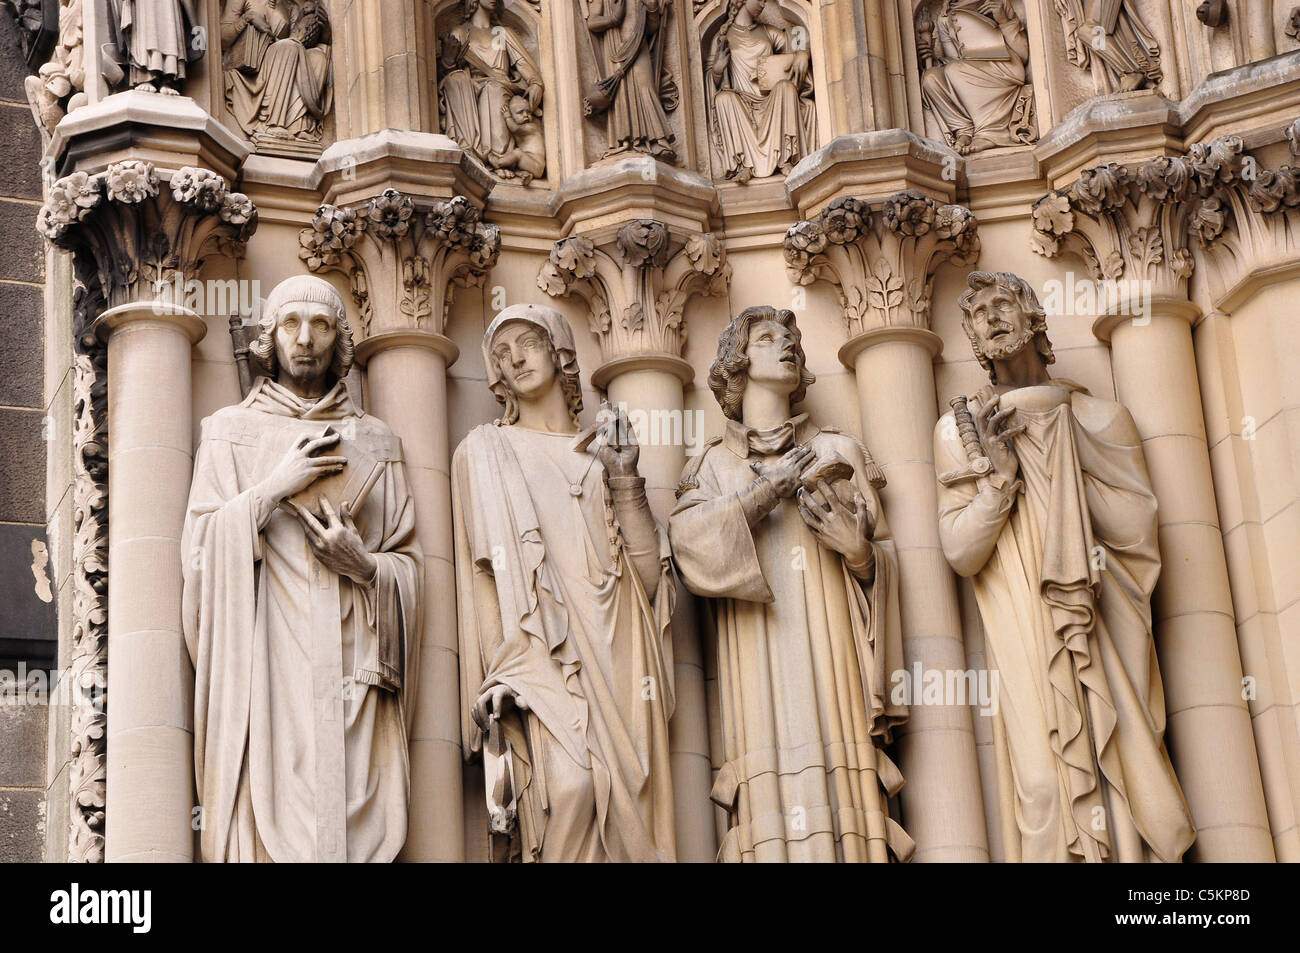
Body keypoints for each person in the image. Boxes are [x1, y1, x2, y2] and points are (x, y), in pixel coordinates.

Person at [934, 271, 1194, 862]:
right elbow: (960, 551)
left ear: (1035, 321)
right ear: (972, 339)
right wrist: (1000, 480)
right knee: (1045, 781)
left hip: (1102, 615)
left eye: (1004, 304)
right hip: (1020, 616)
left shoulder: (1101, 419)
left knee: (1125, 761)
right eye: (977, 314)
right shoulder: (960, 433)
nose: (992, 317)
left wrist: (1064, 461)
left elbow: (1135, 536)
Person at [182, 275, 421, 862]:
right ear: (269, 338)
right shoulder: (228, 432)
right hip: (264, 662)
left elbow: (410, 565)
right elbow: (200, 552)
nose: (305, 339)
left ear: (341, 340)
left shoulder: (377, 441)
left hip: (353, 667)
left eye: (321, 326)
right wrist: (269, 492)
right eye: (290, 324)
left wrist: (364, 566)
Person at [669, 305, 912, 862]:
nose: (787, 346)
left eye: (791, 339)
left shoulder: (838, 450)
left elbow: (886, 563)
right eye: (768, 338)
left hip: (835, 666)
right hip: (758, 671)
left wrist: (861, 557)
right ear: (737, 361)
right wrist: (764, 494)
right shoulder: (712, 467)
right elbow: (689, 550)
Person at [452, 303, 676, 862]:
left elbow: (648, 581)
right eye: (501, 354)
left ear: (561, 351)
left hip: (624, 655)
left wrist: (626, 477)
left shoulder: (603, 459)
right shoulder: (484, 452)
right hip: (538, 657)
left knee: (630, 810)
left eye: (528, 342)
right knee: (571, 790)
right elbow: (484, 581)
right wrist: (495, 672)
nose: (516, 359)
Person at [708, 0, 814, 181]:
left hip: (771, 102)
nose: (764, 3)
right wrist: (717, 70)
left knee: (786, 87)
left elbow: (799, 32)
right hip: (742, 103)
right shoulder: (722, 37)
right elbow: (711, 83)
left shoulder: (768, 32)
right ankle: (744, 164)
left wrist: (802, 53)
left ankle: (785, 159)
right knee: (723, 99)